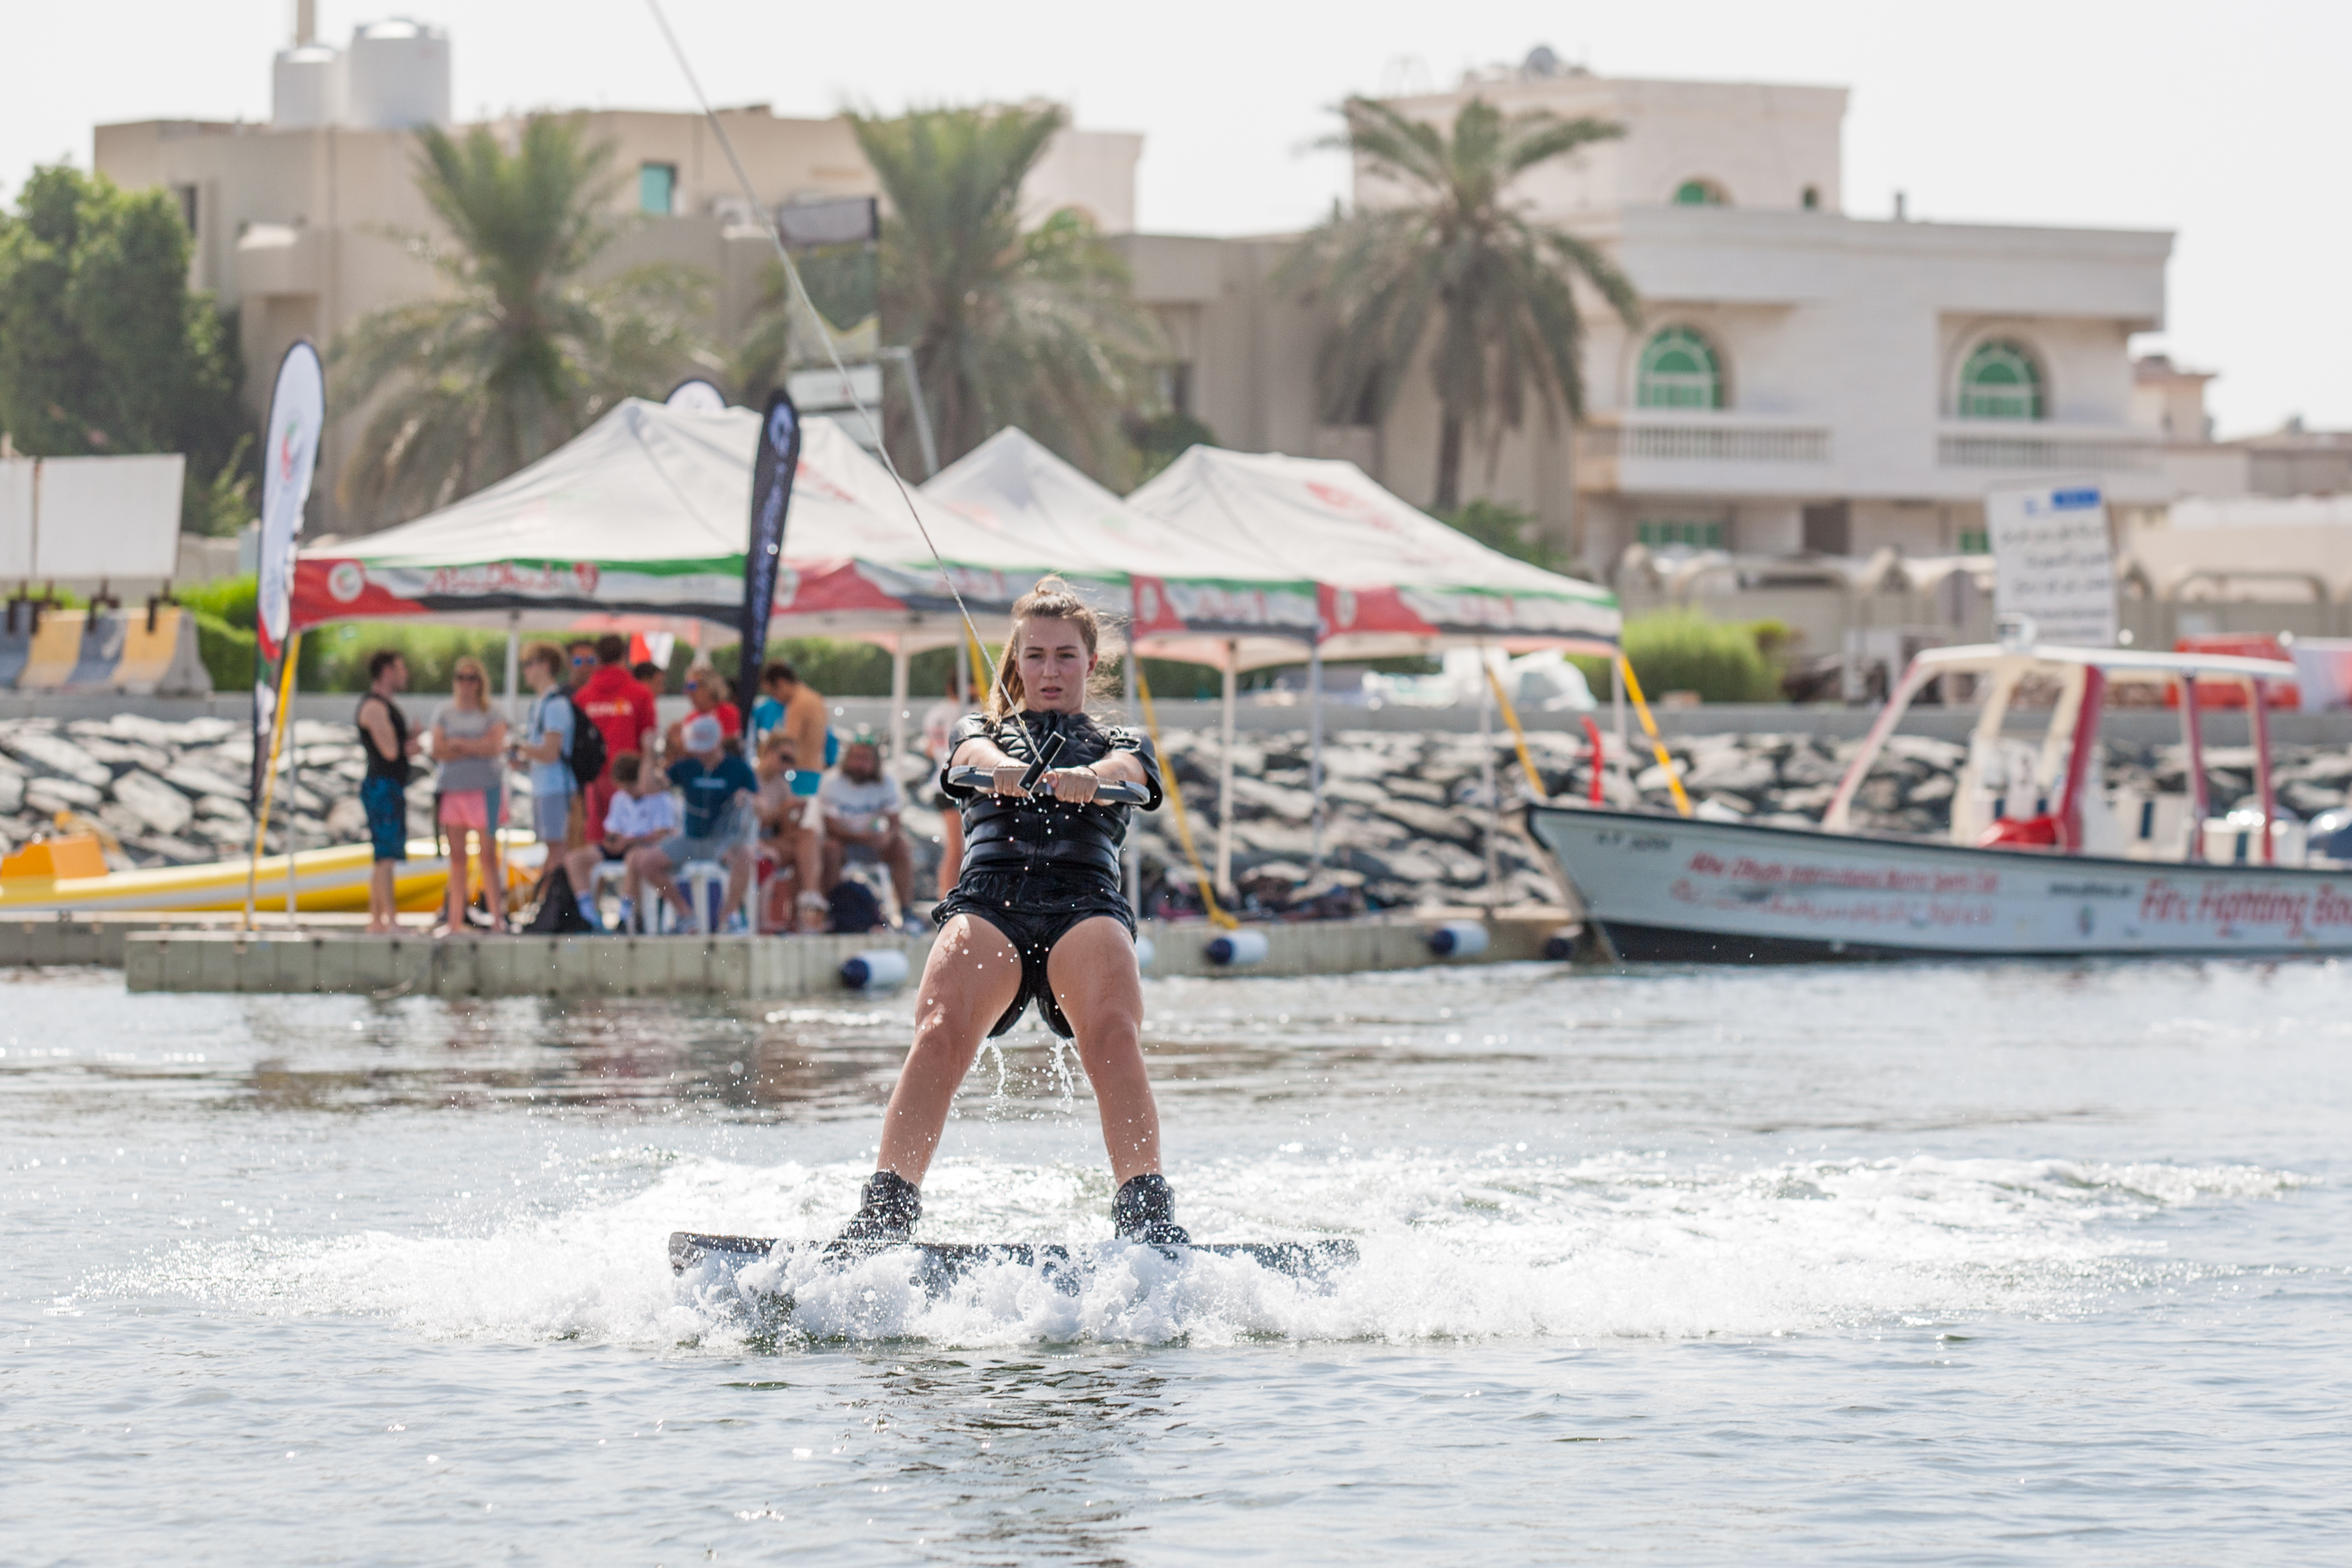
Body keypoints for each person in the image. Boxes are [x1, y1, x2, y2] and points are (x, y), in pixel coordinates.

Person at [835, 576, 1181, 1249]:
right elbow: (967, 756)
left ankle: (1147, 1218)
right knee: (939, 1027)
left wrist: (1094, 777)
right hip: (991, 900)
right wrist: (999, 767)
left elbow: (1133, 774)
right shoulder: (979, 732)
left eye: (1065, 656)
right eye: (1036, 656)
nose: (1050, 671)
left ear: (1091, 662)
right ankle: (884, 1215)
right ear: (1016, 662)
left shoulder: (1123, 741)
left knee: (1114, 1029)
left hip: (1084, 902)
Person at [633, 713, 760, 933]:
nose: (701, 753)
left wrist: (748, 799)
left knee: (746, 854)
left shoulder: (738, 768)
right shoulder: (687, 766)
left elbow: (762, 803)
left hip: (722, 840)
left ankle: (729, 916)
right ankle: (685, 914)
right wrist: (649, 755)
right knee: (648, 862)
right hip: (691, 839)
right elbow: (649, 788)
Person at [515, 642, 593, 925]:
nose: (525, 671)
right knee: (553, 848)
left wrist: (519, 747)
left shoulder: (555, 705)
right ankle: (553, 909)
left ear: (545, 665)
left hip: (556, 788)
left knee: (558, 849)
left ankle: (560, 911)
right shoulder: (541, 704)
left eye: (529, 664)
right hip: (545, 786)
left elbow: (550, 752)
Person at [430, 655, 507, 935]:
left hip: (487, 789)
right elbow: (438, 750)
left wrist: (459, 744)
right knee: (457, 859)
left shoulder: (493, 712)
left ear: (480, 682)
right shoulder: (443, 711)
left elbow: (494, 746)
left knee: (488, 856)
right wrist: (476, 745)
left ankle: (498, 920)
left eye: (471, 678)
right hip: (453, 790)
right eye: (460, 677)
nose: (465, 683)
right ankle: (454, 921)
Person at [564, 752, 674, 933]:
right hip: (623, 847)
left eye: (631, 787)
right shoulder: (620, 798)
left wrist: (632, 840)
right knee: (574, 859)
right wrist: (614, 842)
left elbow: (662, 834)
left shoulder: (659, 798)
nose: (628, 792)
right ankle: (588, 915)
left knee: (634, 858)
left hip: (645, 849)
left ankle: (626, 916)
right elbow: (612, 830)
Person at [818, 735, 919, 929]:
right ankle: (833, 912)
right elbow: (830, 827)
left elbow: (895, 823)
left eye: (865, 759)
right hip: (843, 842)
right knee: (830, 850)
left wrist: (886, 837)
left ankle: (907, 912)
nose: (859, 764)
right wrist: (862, 838)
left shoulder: (887, 782)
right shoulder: (831, 781)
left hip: (873, 843)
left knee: (901, 846)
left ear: (875, 762)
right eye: (855, 757)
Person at [355, 648, 420, 936]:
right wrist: (408, 745)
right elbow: (391, 751)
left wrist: (409, 742)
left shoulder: (385, 706)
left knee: (383, 857)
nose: (405, 674)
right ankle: (388, 921)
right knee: (385, 857)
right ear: (387, 671)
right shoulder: (374, 707)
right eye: (400, 668)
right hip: (382, 787)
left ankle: (377, 920)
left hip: (388, 786)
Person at [573, 633, 657, 844]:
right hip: (631, 780)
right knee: (632, 839)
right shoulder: (641, 693)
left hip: (594, 779)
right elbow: (649, 737)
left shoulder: (582, 696)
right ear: (624, 656)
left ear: (598, 658)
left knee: (596, 840)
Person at [753, 731, 827, 932]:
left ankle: (805, 903)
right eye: (784, 758)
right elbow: (752, 825)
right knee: (806, 849)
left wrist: (796, 813)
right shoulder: (751, 779)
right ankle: (806, 905)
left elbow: (786, 829)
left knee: (808, 837)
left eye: (792, 761)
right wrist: (782, 811)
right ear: (768, 752)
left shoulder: (781, 784)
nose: (787, 766)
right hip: (752, 844)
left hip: (771, 842)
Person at [921, 670, 971, 898]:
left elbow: (930, 749)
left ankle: (947, 897)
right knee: (958, 850)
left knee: (954, 848)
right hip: (959, 784)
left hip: (940, 782)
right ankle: (949, 899)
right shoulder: (967, 712)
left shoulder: (935, 712)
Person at [663, 660, 741, 758]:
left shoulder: (729, 712)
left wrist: (685, 745)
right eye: (687, 686)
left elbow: (730, 744)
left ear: (710, 686)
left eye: (692, 686)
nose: (688, 692)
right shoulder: (691, 718)